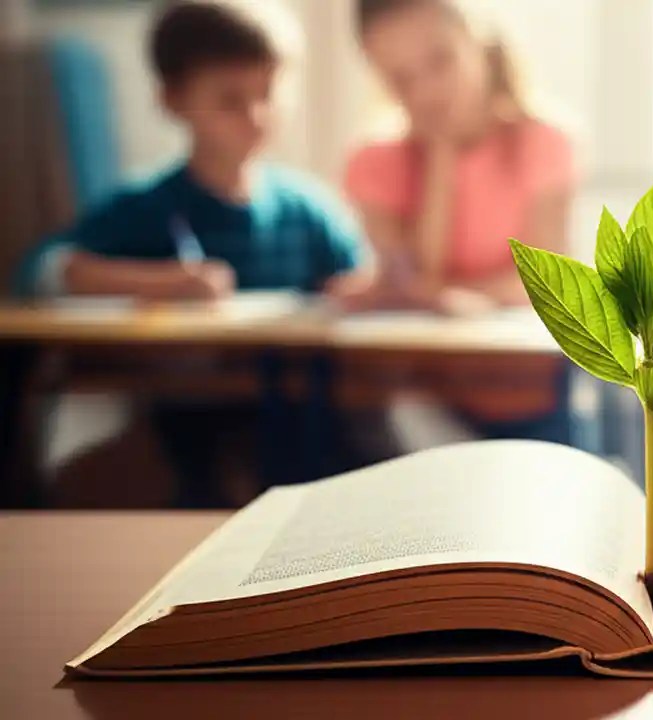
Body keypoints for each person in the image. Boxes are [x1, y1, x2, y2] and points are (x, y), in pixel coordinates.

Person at [42, 0, 377, 506]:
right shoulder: (143, 207)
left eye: (268, 93)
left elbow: (357, 281)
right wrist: (159, 284)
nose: (256, 115)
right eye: (230, 99)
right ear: (173, 100)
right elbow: (42, 272)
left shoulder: (308, 210)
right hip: (184, 425)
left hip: (302, 426)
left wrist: (358, 292)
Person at [342, 0, 578, 445]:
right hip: (427, 391)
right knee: (400, 417)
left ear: (478, 40)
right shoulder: (374, 162)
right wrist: (441, 158)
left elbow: (550, 279)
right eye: (401, 78)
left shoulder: (544, 142)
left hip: (532, 393)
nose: (427, 90)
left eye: (440, 60)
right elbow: (419, 277)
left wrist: (445, 296)